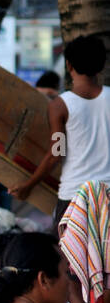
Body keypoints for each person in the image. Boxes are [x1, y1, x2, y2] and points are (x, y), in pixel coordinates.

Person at [11, 36, 110, 229]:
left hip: (75, 197)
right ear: (101, 66)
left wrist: (29, 185)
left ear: (68, 65)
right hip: (107, 194)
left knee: (71, 257)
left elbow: (56, 154)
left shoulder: (60, 106)